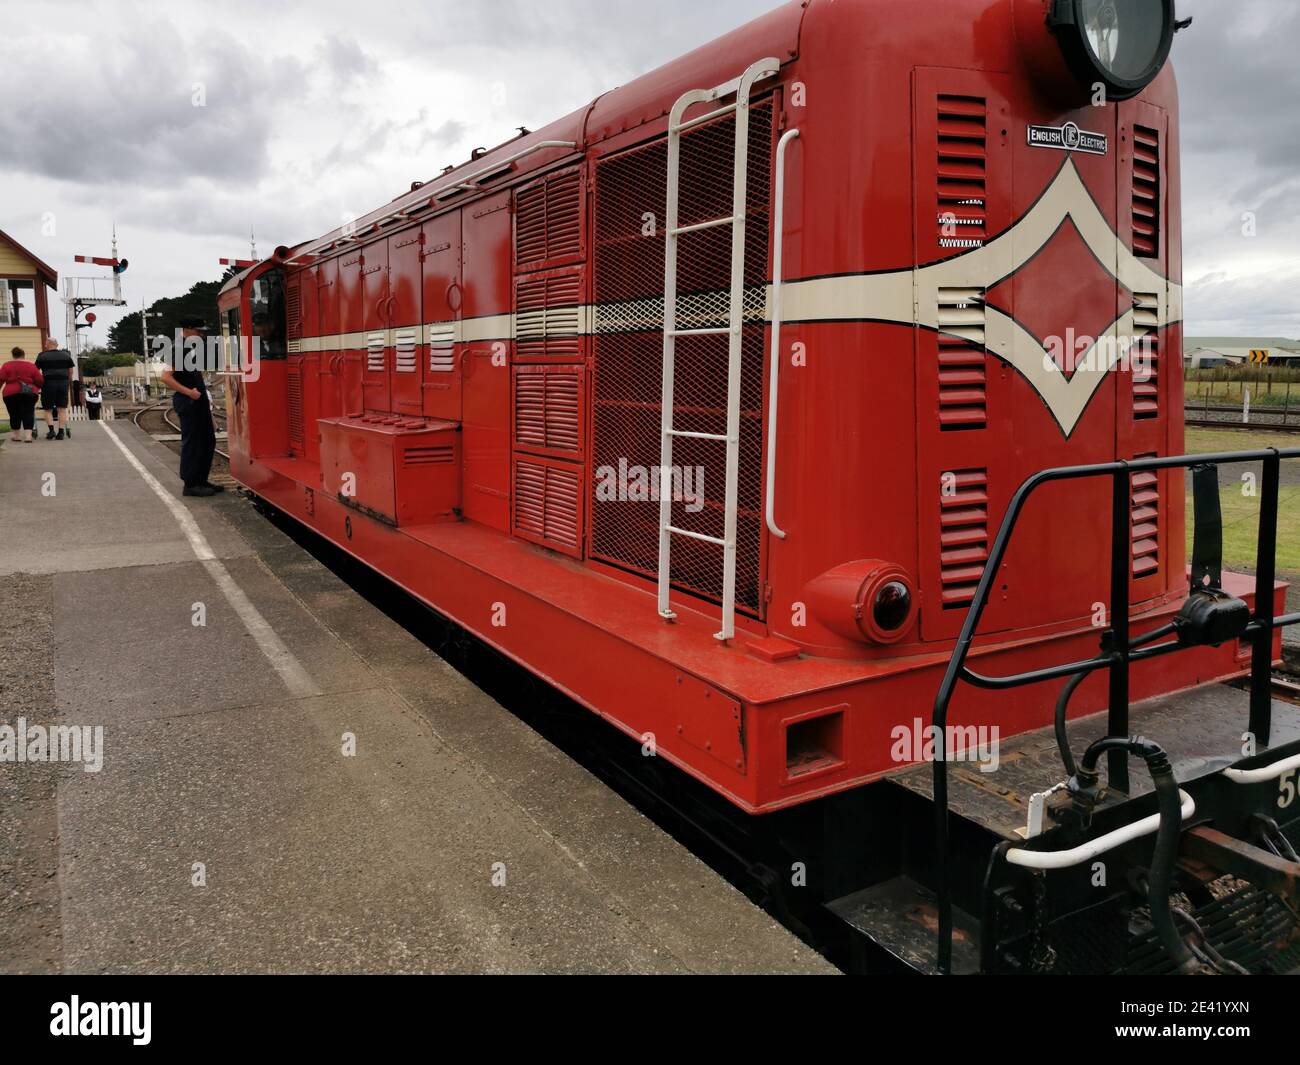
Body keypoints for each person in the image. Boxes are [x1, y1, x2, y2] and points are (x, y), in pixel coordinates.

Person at [159, 317, 223, 497]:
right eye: (198, 331)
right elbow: (166, 377)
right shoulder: (177, 348)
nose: (201, 335)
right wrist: (189, 392)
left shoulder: (188, 348)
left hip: (198, 401)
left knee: (207, 441)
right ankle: (190, 484)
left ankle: (201, 480)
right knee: (193, 443)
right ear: (187, 329)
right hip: (188, 402)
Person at [34, 337, 75, 440]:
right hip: (63, 384)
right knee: (61, 409)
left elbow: (35, 372)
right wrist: (67, 383)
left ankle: (51, 431)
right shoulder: (66, 355)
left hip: (48, 384)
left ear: (49, 343)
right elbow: (71, 371)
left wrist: (39, 382)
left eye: (45, 343)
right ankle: (61, 433)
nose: (45, 345)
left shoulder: (42, 356)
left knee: (48, 409)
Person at [0, 346, 43, 442]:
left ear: (13, 355)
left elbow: (1, 379)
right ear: (23, 355)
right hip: (29, 393)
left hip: (10, 393)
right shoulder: (31, 366)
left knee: (14, 414)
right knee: (28, 413)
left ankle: (17, 436)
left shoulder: (6, 365)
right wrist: (36, 388)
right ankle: (28, 437)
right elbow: (40, 380)